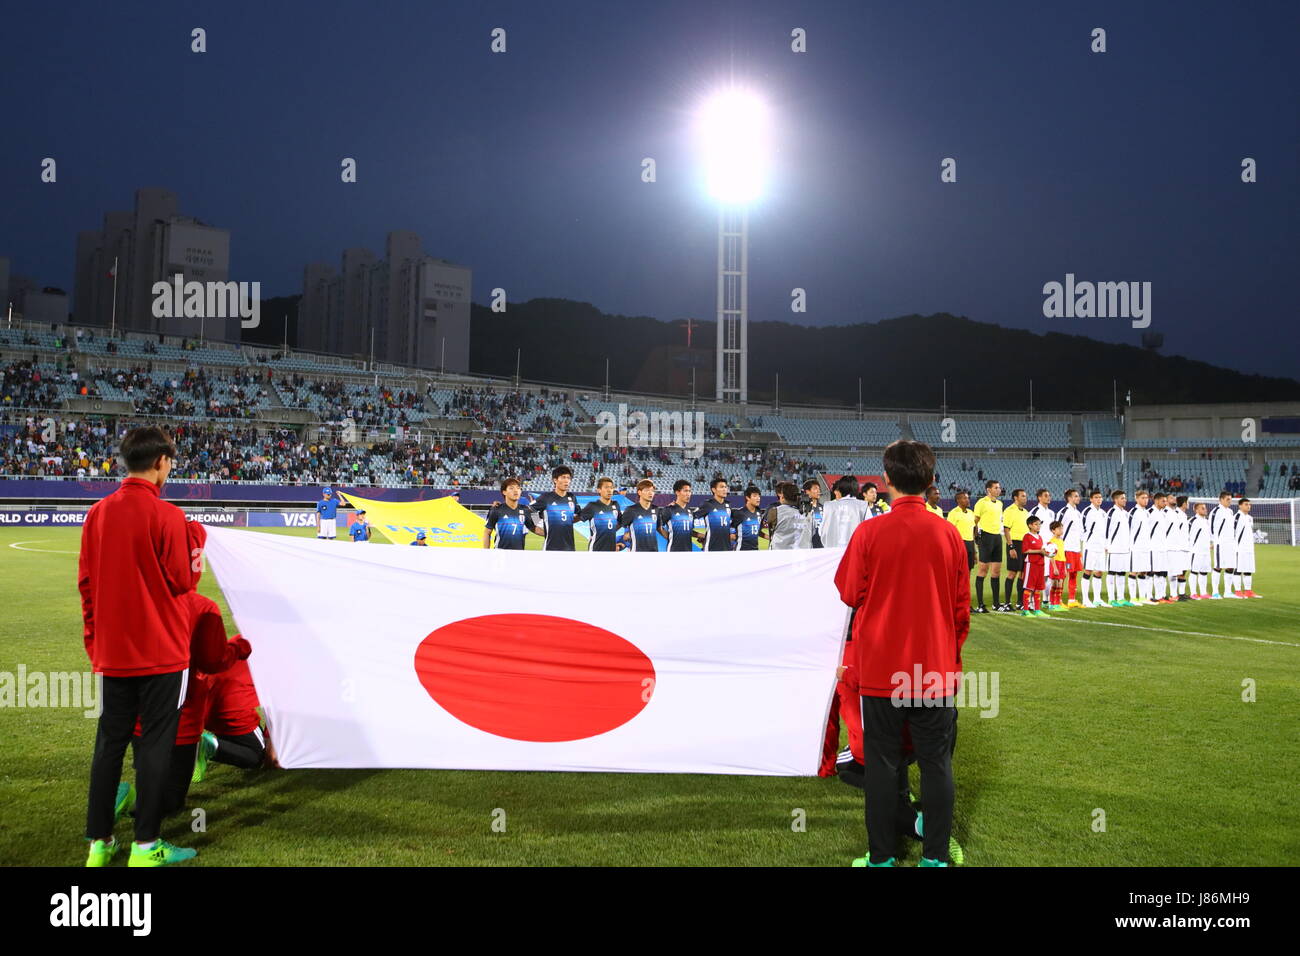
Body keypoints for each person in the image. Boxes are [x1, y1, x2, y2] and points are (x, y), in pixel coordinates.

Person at [834, 440, 969, 867]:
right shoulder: (948, 533)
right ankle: (934, 859)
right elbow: (961, 610)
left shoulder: (870, 532)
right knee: (936, 766)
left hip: (880, 669)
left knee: (882, 766)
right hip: (931, 669)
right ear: (931, 482)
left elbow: (848, 591)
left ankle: (882, 859)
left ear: (886, 480)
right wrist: (947, 653)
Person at [79, 425, 199, 867]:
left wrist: (97, 643)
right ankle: (145, 847)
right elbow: (185, 582)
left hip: (115, 653)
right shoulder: (168, 517)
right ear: (161, 462)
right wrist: (196, 542)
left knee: (109, 744)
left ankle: (99, 844)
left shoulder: (97, 513)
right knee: (153, 746)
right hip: (162, 653)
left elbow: (86, 585)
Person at [972, 479, 1004, 613]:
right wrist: (976, 539)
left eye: (999, 487)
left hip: (997, 537)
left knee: (996, 571)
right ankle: (980, 605)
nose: (999, 489)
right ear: (988, 490)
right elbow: (974, 522)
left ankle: (996, 604)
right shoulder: (981, 503)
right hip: (985, 537)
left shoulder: (1000, 503)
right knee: (983, 570)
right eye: (996, 487)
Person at [533, 465, 581, 551]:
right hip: (550, 547)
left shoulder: (572, 497)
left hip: (570, 548)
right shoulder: (546, 497)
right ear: (555, 480)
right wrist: (537, 526)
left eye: (568, 478)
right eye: (563, 477)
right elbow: (530, 511)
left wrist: (568, 520)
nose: (566, 480)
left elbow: (580, 515)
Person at [484, 477, 535, 549]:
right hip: (500, 554)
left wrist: (552, 533)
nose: (516, 490)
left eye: (518, 488)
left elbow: (533, 528)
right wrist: (486, 553)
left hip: (518, 555)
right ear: (504, 492)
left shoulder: (525, 510)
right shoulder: (496, 510)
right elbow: (487, 532)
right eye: (511, 488)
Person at [1002, 489, 1030, 612]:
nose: (1025, 498)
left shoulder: (1026, 512)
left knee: (1022, 574)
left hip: (1024, 544)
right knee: (1012, 573)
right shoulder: (1009, 510)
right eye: (1023, 496)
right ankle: (1007, 603)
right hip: (1014, 543)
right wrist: (1011, 546)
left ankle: (1020, 602)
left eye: (1025, 496)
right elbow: (1006, 530)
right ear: (1015, 498)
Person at [1056, 489, 1085, 607]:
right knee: (1063, 574)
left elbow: (1080, 532)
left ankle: (1072, 600)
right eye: (1076, 496)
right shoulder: (1064, 512)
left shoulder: (1078, 513)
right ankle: (1058, 600)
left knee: (1074, 574)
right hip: (1066, 549)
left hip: (1076, 549)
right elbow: (1056, 528)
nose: (1078, 498)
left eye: (1078, 496)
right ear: (1069, 498)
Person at [578, 477, 622, 552]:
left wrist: (610, 531)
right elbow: (578, 517)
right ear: (599, 490)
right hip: (596, 548)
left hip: (611, 548)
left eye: (611, 488)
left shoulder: (616, 505)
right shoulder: (592, 506)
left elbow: (621, 521)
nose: (609, 490)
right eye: (606, 487)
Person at [1079, 489, 1108, 607]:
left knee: (1099, 572)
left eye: (1100, 497)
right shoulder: (1087, 511)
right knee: (1088, 571)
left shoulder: (1103, 513)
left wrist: (1105, 544)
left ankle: (1097, 599)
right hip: (1090, 546)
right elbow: (1081, 528)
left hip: (1101, 547)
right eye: (1096, 497)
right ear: (1091, 499)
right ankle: (1085, 600)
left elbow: (1104, 531)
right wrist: (1086, 540)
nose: (1099, 499)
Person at [1105, 490, 1134, 607]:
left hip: (1124, 549)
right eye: (1122, 498)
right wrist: (1107, 545)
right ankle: (1111, 599)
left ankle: (1121, 598)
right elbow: (1106, 529)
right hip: (1114, 548)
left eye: (1125, 498)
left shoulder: (1125, 513)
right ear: (1116, 500)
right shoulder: (1111, 512)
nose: (1125, 500)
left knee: (1122, 573)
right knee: (1112, 573)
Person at [617, 479, 660, 552]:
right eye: (647, 490)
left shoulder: (656, 510)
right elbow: (619, 526)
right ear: (639, 492)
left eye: (652, 490)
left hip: (654, 553)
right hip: (637, 554)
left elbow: (660, 529)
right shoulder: (631, 510)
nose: (651, 493)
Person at [1128, 490, 1156, 605]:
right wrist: (1130, 545)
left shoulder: (1147, 513)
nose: (1146, 500)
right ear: (1137, 499)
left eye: (1147, 498)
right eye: (1143, 498)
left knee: (1143, 572)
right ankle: (1133, 598)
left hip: (1146, 547)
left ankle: (1142, 597)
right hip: (1135, 547)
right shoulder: (1133, 512)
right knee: (1133, 572)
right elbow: (1128, 529)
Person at [765, 482, 811, 550]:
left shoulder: (774, 511)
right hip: (801, 555)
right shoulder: (807, 512)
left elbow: (770, 527)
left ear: (782, 496)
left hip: (780, 555)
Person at [1210, 491, 1238, 599]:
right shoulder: (1216, 511)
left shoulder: (1230, 511)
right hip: (1220, 543)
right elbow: (1211, 527)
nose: (1229, 501)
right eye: (1227, 499)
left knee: (1230, 567)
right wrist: (1213, 541)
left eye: (1230, 499)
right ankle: (1215, 592)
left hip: (1230, 543)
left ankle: (1228, 592)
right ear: (1221, 500)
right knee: (1218, 566)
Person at [693, 477, 733, 552]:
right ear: (714, 489)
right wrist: (699, 535)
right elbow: (689, 518)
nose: (725, 489)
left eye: (725, 487)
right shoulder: (707, 504)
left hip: (727, 548)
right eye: (721, 487)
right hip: (711, 548)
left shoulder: (728, 505)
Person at [1020, 515, 1049, 617]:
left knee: (1038, 588)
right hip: (1031, 564)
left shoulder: (1040, 537)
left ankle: (1037, 609)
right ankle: (1025, 610)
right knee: (1029, 588)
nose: (1038, 526)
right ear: (1030, 525)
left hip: (1041, 564)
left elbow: (1042, 550)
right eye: (1036, 524)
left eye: (1039, 524)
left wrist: (1046, 552)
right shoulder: (1027, 536)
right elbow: (1025, 550)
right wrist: (1039, 551)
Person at [658, 479, 695, 552]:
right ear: (677, 492)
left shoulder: (690, 512)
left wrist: (702, 536)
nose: (688, 494)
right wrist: (669, 537)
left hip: (689, 551)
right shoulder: (669, 509)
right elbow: (658, 527)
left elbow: (689, 531)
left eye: (689, 491)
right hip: (673, 551)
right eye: (685, 491)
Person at [1167, 494, 1192, 602]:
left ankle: (1181, 593)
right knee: (1174, 571)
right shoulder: (1176, 514)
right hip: (1178, 547)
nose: (1189, 504)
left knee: (1183, 571)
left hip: (1185, 547)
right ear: (1184, 503)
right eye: (1188, 502)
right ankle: (1173, 594)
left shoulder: (1183, 514)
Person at [946, 490, 976, 573]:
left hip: (970, 544)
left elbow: (972, 532)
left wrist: (974, 550)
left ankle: (966, 586)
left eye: (968, 498)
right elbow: (949, 532)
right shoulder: (953, 513)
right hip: (959, 543)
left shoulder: (971, 513)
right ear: (958, 500)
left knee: (969, 569)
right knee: (958, 569)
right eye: (965, 498)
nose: (968, 500)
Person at [1233, 498, 1258, 597]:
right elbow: (1232, 531)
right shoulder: (1237, 516)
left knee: (1248, 569)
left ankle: (1248, 591)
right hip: (1239, 548)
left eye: (1249, 504)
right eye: (1246, 504)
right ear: (1240, 506)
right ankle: (1238, 591)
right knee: (1238, 569)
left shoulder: (1250, 518)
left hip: (1249, 548)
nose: (1248, 506)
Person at [1188, 501, 1212, 598]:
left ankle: (1203, 592)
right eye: (1202, 508)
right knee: (1194, 572)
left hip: (1206, 551)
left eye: (1205, 508)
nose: (1205, 509)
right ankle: (1193, 593)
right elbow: (1186, 534)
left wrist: (1210, 543)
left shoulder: (1206, 521)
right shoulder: (1192, 520)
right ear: (1196, 510)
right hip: (1196, 551)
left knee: (1204, 572)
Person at [730, 486, 764, 551]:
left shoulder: (759, 512)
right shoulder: (740, 513)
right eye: (755, 496)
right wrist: (732, 533)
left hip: (755, 550)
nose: (758, 498)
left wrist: (769, 537)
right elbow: (731, 526)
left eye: (759, 496)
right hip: (741, 551)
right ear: (747, 497)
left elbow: (758, 531)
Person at [1045, 520, 1067, 610]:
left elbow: (1063, 554)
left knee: (1060, 584)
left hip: (1062, 563)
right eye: (1059, 529)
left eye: (1062, 528)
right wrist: (1054, 567)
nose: (1061, 530)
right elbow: (1051, 555)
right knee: (1055, 584)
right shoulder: (1051, 541)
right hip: (1055, 563)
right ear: (1053, 530)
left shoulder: (1061, 541)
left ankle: (1057, 604)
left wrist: (1065, 567)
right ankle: (1051, 604)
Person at [803, 478, 825, 547]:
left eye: (819, 489)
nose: (818, 491)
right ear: (807, 491)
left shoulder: (823, 507)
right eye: (815, 488)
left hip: (820, 544)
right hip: (806, 544)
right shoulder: (802, 508)